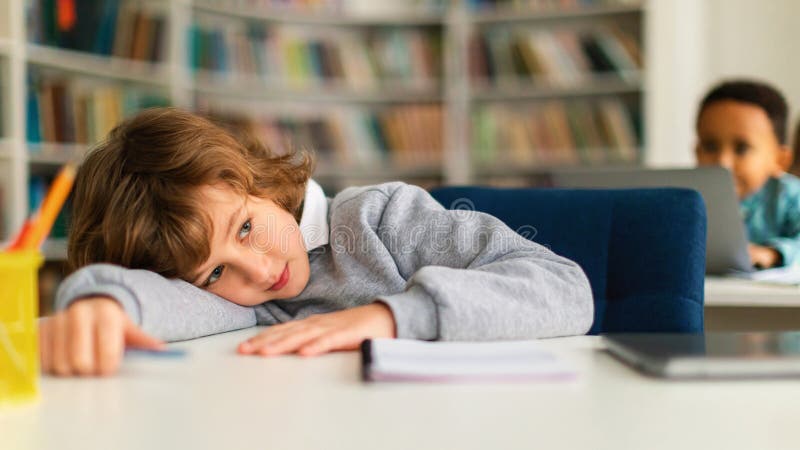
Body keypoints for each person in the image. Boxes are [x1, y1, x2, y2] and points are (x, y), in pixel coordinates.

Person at [40, 107, 594, 377]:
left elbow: (565, 289)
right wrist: (103, 301)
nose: (256, 274)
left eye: (246, 229)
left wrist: (393, 318)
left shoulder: (381, 218)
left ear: (253, 180)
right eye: (214, 274)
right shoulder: (242, 305)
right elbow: (159, 300)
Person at [695, 79, 800, 269]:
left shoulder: (792, 196)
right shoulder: (688, 198)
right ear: (696, 152)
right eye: (710, 146)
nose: (723, 162)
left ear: (780, 160)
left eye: (742, 148)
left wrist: (773, 254)